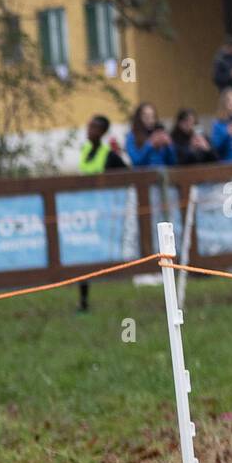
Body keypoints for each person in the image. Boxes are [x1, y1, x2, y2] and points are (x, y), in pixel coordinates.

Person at [77, 114, 127, 312]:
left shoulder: (109, 155)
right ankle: (83, 302)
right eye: (89, 126)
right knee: (82, 257)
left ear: (103, 132)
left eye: (95, 128)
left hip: (103, 213)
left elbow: (127, 175)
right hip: (85, 213)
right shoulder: (85, 150)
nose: (90, 131)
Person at [124, 102, 176, 168]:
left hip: (162, 175)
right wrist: (150, 144)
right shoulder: (131, 137)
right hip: (143, 176)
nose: (150, 120)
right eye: (146, 116)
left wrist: (169, 145)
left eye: (153, 116)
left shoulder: (159, 134)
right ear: (138, 118)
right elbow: (136, 161)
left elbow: (172, 162)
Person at [209, 88, 232, 163]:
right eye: (230, 102)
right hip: (229, 167)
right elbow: (214, 149)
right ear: (224, 105)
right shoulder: (218, 124)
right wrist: (227, 134)